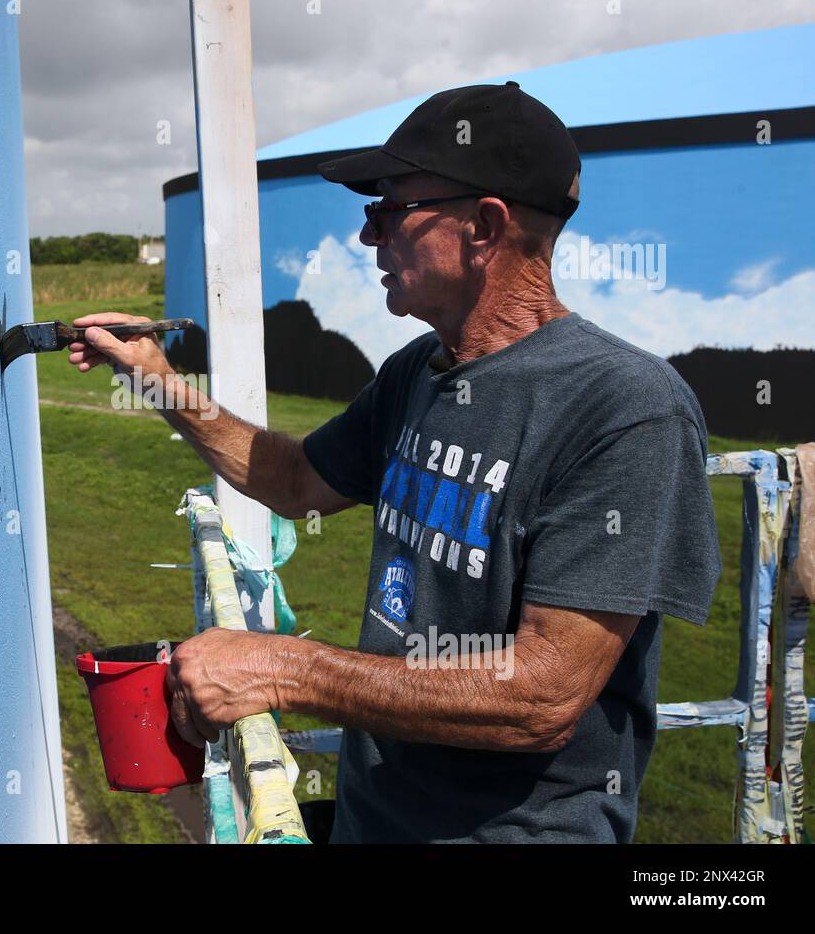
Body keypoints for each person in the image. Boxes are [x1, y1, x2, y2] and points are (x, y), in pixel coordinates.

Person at [65, 82, 721, 843]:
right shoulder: (421, 371)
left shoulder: (627, 408)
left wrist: (285, 670)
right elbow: (292, 479)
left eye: (390, 208)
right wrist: (157, 377)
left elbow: (545, 694)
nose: (369, 234)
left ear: (484, 225)